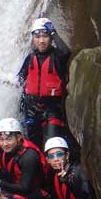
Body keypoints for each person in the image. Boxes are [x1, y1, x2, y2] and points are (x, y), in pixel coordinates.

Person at [17, 17, 70, 147]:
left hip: (52, 109)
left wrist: (53, 32)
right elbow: (20, 80)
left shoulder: (57, 56)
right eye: (37, 37)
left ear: (50, 38)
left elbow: (66, 52)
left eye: (45, 36)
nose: (41, 40)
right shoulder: (30, 58)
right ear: (33, 39)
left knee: (52, 144)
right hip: (32, 109)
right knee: (32, 146)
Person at [0, 117, 47, 199]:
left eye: (9, 139)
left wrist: (0, 183)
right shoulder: (5, 149)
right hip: (18, 185)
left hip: (35, 194)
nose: (4, 144)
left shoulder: (29, 156)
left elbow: (24, 188)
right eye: (1, 140)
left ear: (19, 137)